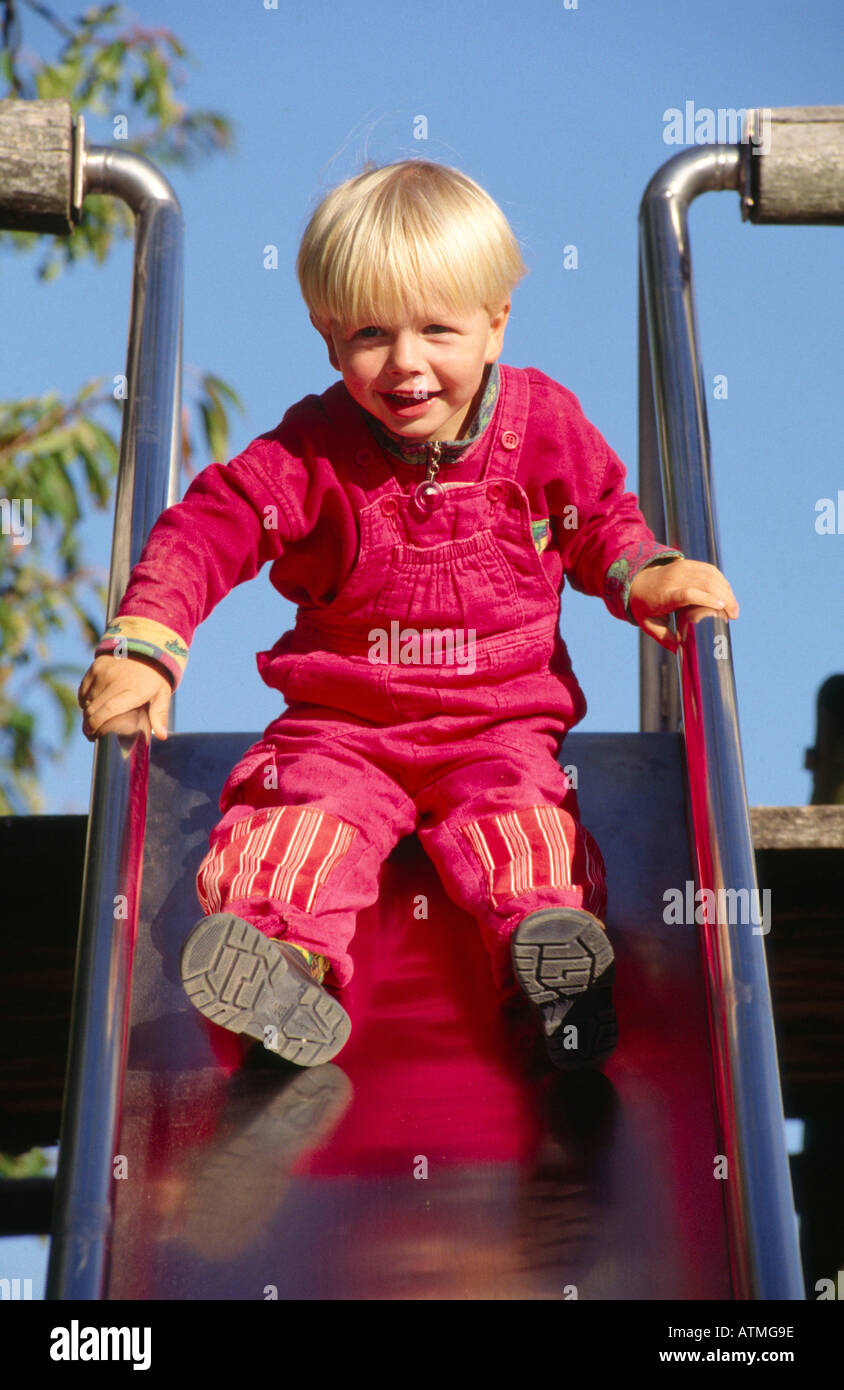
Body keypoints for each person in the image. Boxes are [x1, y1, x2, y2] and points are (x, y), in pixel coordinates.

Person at [78, 159, 738, 1071]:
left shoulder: (543, 425)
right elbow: (210, 527)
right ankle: (282, 970)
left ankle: (553, 975)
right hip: (342, 727)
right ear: (325, 333)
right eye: (370, 334)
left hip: (500, 725)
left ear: (496, 321)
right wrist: (148, 638)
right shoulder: (312, 451)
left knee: (525, 831)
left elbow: (601, 525)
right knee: (299, 826)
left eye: (438, 329)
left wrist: (646, 572)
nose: (406, 363)